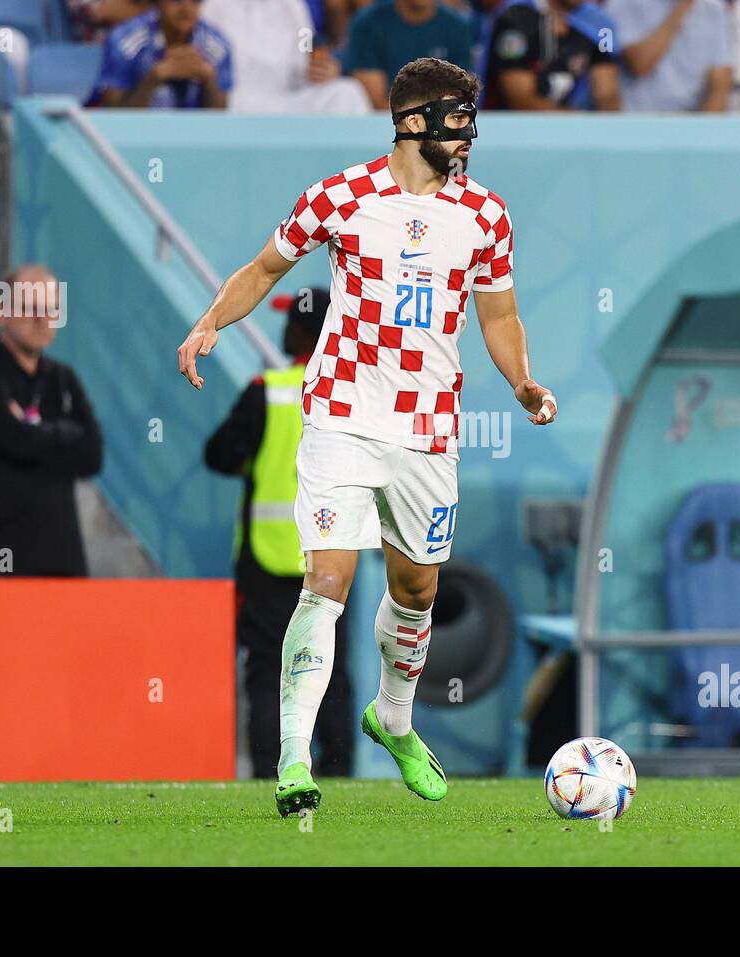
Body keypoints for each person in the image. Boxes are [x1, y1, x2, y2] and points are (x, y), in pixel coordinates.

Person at [177, 57, 557, 815]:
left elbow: (499, 316)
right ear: (412, 123)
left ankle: (393, 717)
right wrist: (210, 322)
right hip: (342, 414)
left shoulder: (485, 215)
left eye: (472, 119)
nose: (468, 133)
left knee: (416, 590)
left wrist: (521, 382)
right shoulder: (341, 197)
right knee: (327, 581)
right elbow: (264, 268)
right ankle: (293, 759)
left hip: (427, 429)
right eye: (456, 118)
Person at [205, 288, 354, 779]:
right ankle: (336, 774)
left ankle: (276, 774)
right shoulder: (354, 393)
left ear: (296, 332)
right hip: (331, 560)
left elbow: (218, 454)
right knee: (328, 672)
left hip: (267, 563)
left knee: (271, 670)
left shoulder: (266, 391)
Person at [0, 265, 103, 577]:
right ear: (1, 312)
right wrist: (65, 434)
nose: (42, 320)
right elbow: (14, 440)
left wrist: (37, 431)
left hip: (59, 565)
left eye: (51, 310)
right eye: (31, 308)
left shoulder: (63, 379)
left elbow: (92, 456)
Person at [201, 0, 369, 114]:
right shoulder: (214, 6)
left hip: (285, 103)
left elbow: (307, 51)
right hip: (234, 105)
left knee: (348, 92)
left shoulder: (294, 6)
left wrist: (321, 69)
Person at [92, 0, 231, 109]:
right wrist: (153, 78)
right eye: (176, 0)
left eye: (196, 0)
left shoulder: (217, 45)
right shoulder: (125, 40)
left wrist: (208, 79)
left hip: (194, 138)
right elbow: (112, 115)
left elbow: (218, 120)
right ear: (157, 2)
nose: (186, 9)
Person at [484, 0, 620, 110]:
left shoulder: (600, 25)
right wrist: (577, 122)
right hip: (511, 128)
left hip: (571, 126)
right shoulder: (515, 18)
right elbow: (520, 99)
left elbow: (607, 96)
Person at [344, 0, 474, 110]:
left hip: (439, 128)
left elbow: (459, 97)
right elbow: (376, 101)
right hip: (383, 126)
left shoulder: (457, 27)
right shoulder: (368, 23)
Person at [608, 0, 734, 112]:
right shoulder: (623, 3)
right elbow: (639, 64)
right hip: (638, 117)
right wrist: (681, 8)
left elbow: (720, 83)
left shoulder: (715, 8)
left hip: (692, 121)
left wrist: (706, 129)